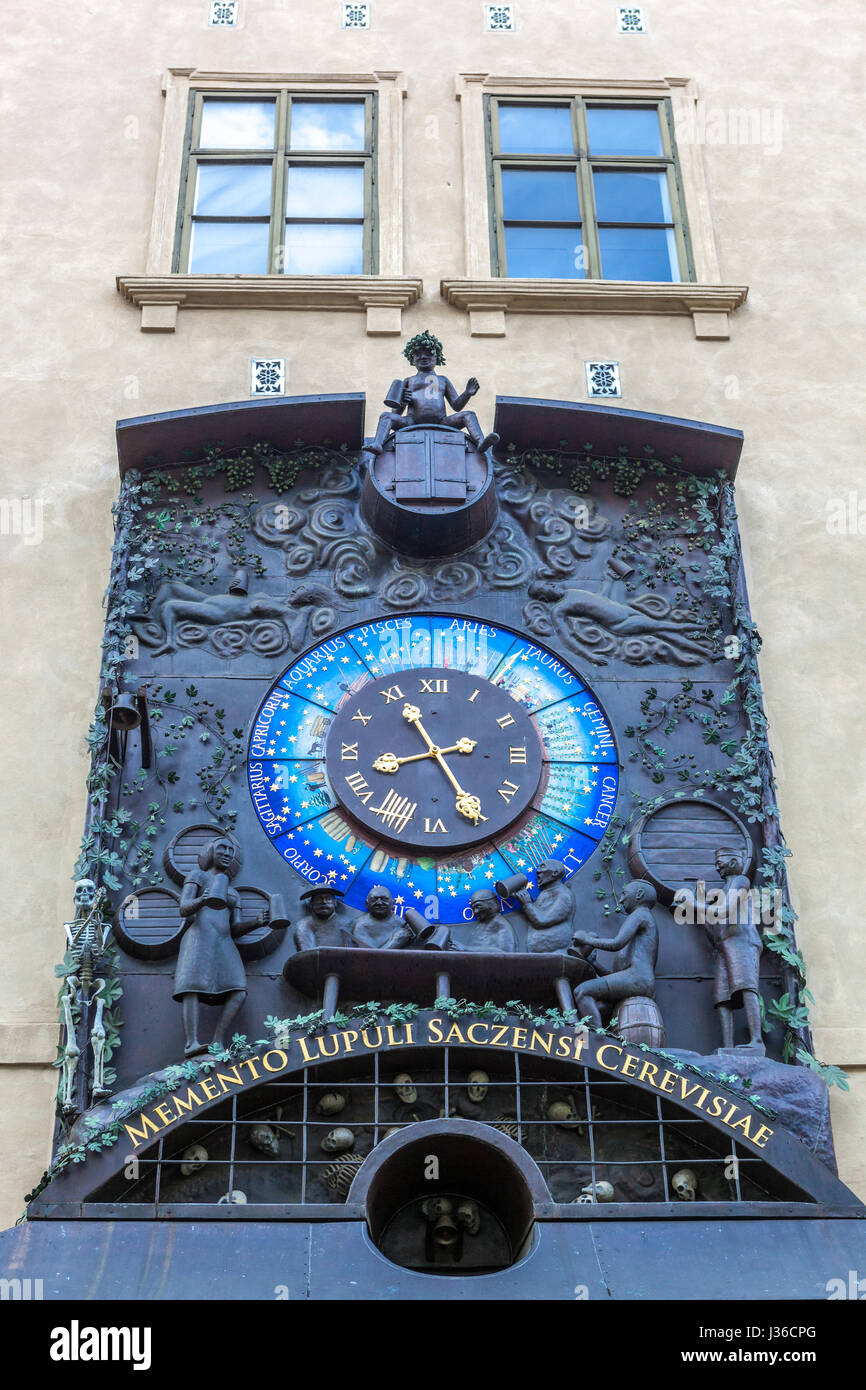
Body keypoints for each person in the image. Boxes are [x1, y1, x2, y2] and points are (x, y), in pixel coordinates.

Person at [173, 836, 266, 1057]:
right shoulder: (197, 876)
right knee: (192, 987)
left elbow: (235, 928)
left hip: (224, 941)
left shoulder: (233, 892)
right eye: (221, 848)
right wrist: (202, 900)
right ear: (210, 852)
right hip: (199, 937)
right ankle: (191, 1042)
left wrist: (256, 922)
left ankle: (217, 1040)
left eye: (230, 851)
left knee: (238, 990)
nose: (226, 853)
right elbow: (183, 908)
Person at [365, 331, 499, 458]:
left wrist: (467, 394)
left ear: (436, 358)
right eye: (418, 354)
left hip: (442, 421)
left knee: (468, 415)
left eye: (428, 353)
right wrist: (403, 402)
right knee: (386, 416)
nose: (423, 357)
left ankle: (481, 441)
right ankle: (378, 444)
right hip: (412, 421)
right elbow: (396, 412)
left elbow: (456, 406)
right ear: (412, 360)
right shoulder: (408, 381)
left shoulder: (443, 380)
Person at [571, 880, 659, 1027]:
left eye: (624, 894)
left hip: (638, 980)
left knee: (582, 991)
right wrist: (594, 964)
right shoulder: (642, 918)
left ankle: (594, 1042)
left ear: (639, 894)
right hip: (637, 981)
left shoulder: (640, 914)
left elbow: (616, 944)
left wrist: (588, 939)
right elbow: (618, 976)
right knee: (598, 1009)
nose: (621, 899)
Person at [707, 848, 764, 1050]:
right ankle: (728, 1046)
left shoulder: (740, 881)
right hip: (726, 945)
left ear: (732, 862)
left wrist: (693, 904)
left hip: (742, 942)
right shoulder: (724, 889)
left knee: (746, 987)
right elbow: (715, 926)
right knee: (722, 996)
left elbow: (724, 910)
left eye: (719, 862)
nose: (716, 867)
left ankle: (757, 1041)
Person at [515, 859, 575, 953]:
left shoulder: (563, 895)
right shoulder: (546, 893)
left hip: (555, 954)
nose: (537, 870)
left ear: (555, 873)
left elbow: (542, 921)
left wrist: (527, 904)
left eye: (542, 866)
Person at [293, 885, 354, 952]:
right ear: (311, 904)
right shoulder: (304, 924)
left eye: (328, 899)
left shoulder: (347, 923)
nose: (324, 902)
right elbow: (307, 952)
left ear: (335, 903)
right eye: (319, 899)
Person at [352, 885, 414, 949]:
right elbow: (373, 957)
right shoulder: (361, 926)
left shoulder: (401, 923)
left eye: (384, 899)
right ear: (367, 904)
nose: (379, 903)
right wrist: (396, 941)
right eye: (374, 900)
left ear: (392, 903)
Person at [467, 888, 518, 954]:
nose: (476, 911)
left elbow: (507, 954)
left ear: (491, 904)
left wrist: (465, 949)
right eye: (473, 908)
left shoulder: (500, 925)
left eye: (478, 906)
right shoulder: (485, 925)